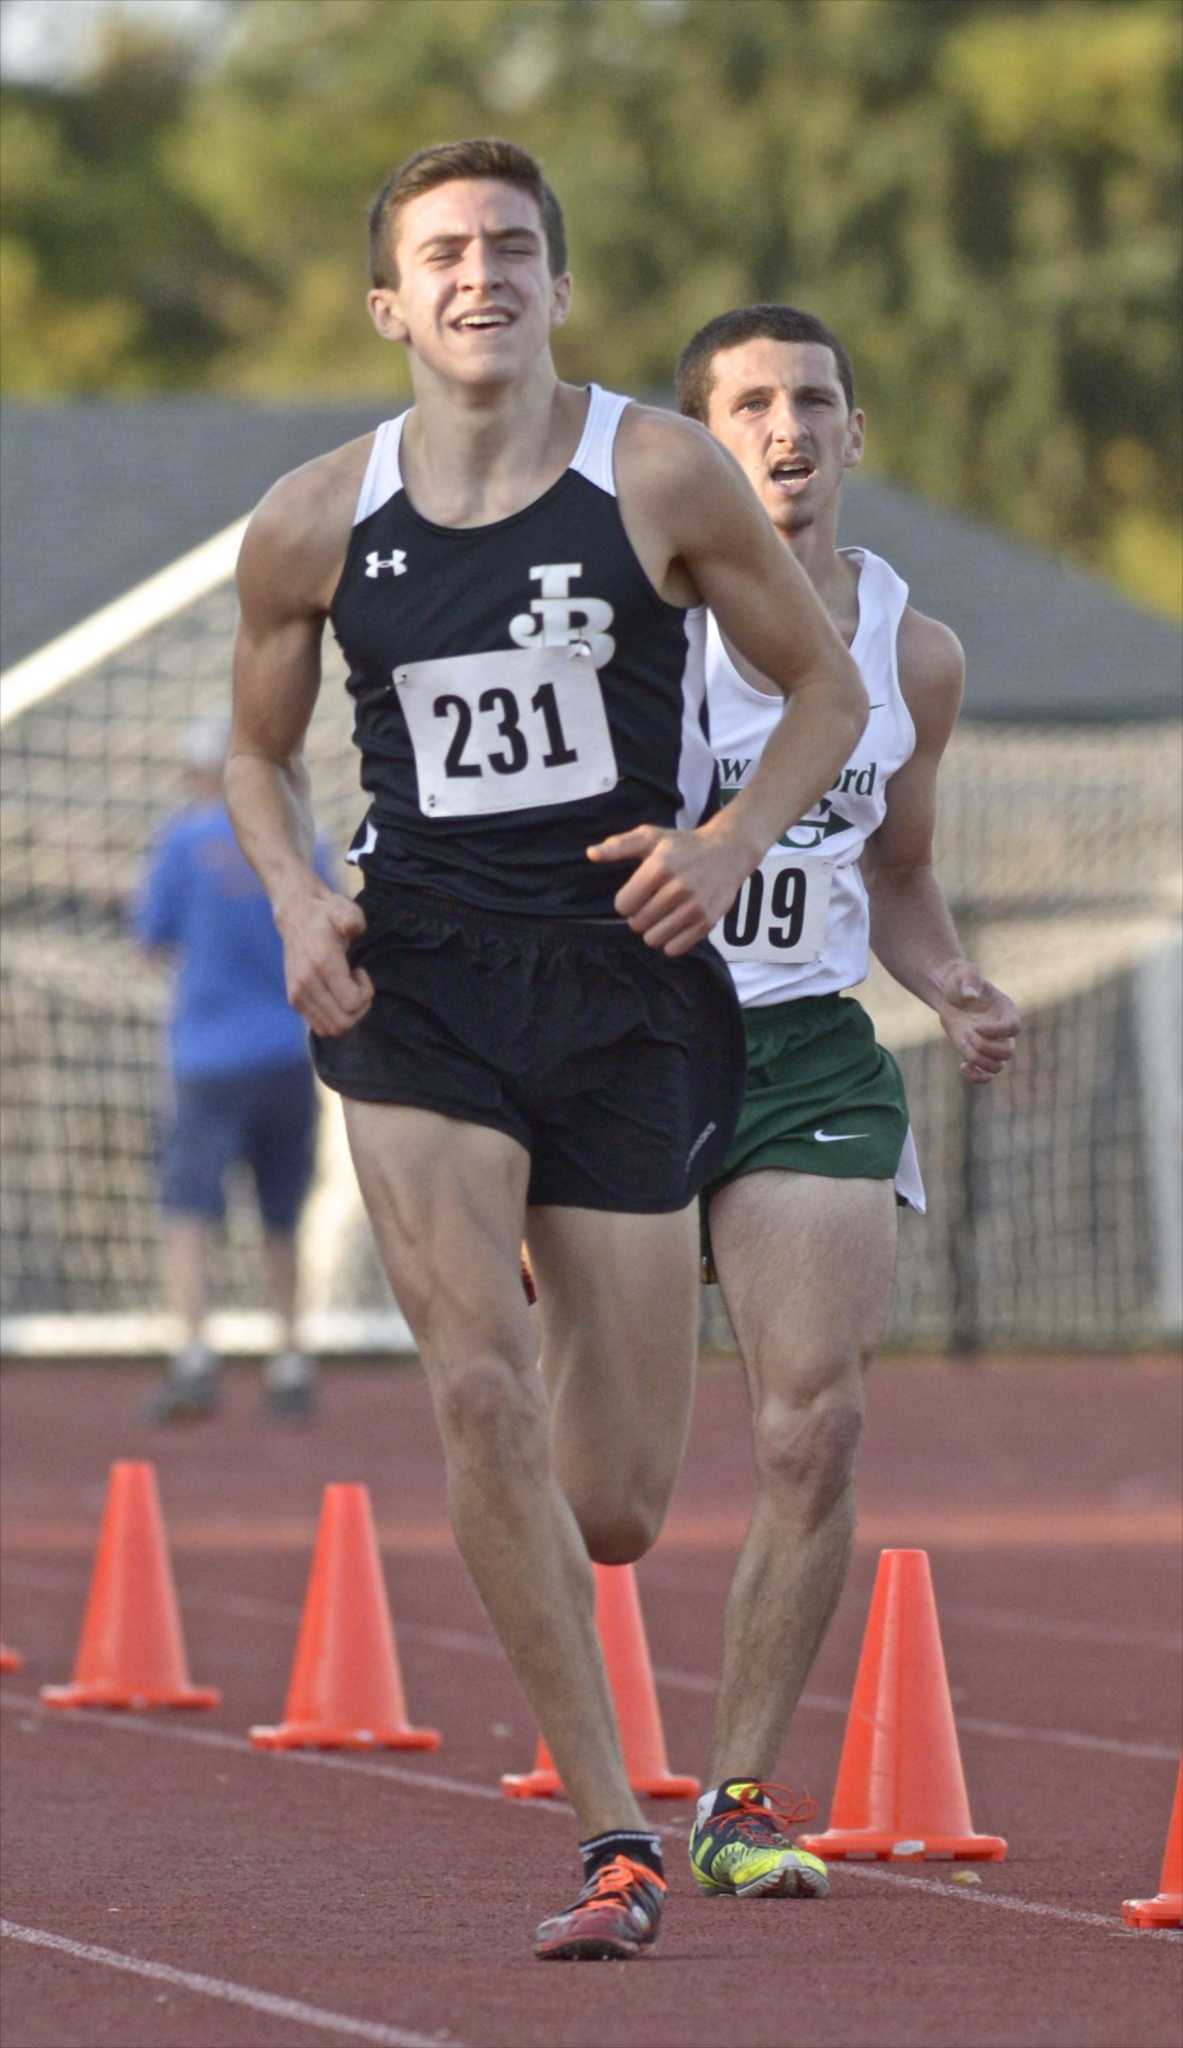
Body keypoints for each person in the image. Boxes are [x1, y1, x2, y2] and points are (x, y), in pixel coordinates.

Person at [223, 139, 867, 1962]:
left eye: (511, 245)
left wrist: (725, 842)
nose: (478, 273)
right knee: (472, 1382)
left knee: (616, 1501)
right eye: (440, 252)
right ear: (387, 302)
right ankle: (611, 1832)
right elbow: (256, 755)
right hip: (417, 973)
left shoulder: (654, 471)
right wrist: (293, 899)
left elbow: (821, 684)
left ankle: (545, 1247)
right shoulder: (311, 519)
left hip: (621, 982)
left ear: (558, 285)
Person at [668, 304, 1021, 1900]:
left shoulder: (913, 653)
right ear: (699, 444)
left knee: (809, 1426)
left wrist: (946, 980)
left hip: (805, 1056)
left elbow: (897, 874)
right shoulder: (627, 623)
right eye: (747, 405)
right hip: (617, 1054)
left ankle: (731, 1798)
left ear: (854, 433)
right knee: (592, 1478)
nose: (786, 428)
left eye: (811, 399)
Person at [133, 713, 326, 1424]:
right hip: (287, 1048)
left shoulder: (184, 839)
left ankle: (193, 1354)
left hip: (208, 1057)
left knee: (188, 1211)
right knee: (283, 1213)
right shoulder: (309, 839)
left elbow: (151, 938)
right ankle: (290, 1356)